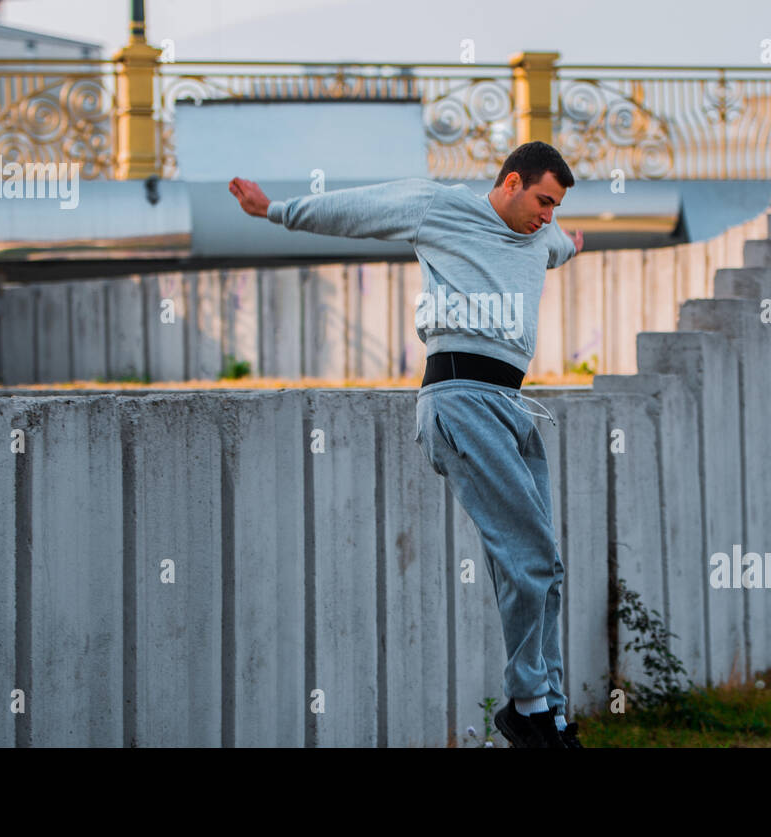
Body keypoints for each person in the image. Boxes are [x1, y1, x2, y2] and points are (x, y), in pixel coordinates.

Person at [230, 141, 586, 748]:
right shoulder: (438, 208)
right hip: (459, 399)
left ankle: (548, 710)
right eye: (542, 200)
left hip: (509, 408)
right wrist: (275, 211)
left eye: (555, 207)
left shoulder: (543, 238)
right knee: (529, 556)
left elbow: (557, 249)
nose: (547, 216)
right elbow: (358, 211)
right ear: (509, 182)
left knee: (540, 565)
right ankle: (527, 708)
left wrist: (572, 246)